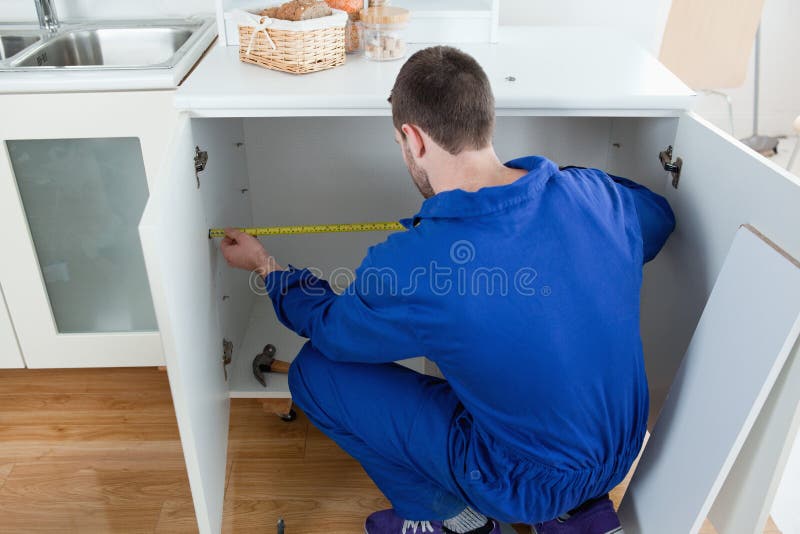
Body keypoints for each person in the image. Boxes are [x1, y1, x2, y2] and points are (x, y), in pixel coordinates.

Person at [221, 46, 675, 534]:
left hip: (524, 481)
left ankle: (457, 521)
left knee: (314, 372)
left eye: (400, 143)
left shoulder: (419, 264)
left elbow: (331, 330)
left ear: (413, 139)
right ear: (485, 121)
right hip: (623, 449)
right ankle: (577, 514)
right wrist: (561, 194)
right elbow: (658, 219)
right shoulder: (595, 194)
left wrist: (267, 267)